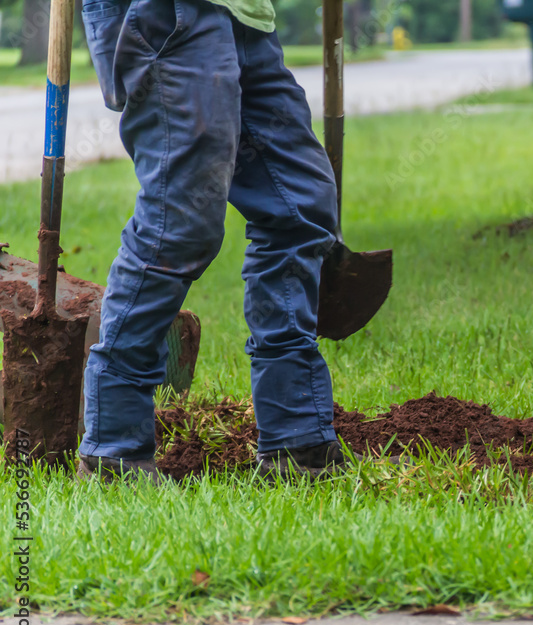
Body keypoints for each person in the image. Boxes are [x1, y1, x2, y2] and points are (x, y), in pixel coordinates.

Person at [77, 0, 345, 481]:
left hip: (246, 15)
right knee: (178, 224)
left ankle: (297, 440)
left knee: (300, 206)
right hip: (167, 13)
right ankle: (113, 450)